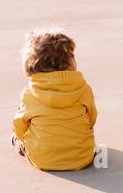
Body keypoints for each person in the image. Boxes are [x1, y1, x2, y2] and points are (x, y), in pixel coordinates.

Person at [10, 30, 99, 170]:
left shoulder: (29, 93)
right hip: (82, 157)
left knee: (18, 139)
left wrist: (21, 138)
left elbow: (19, 126)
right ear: (70, 65)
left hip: (43, 160)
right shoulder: (83, 88)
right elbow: (92, 118)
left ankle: (18, 144)